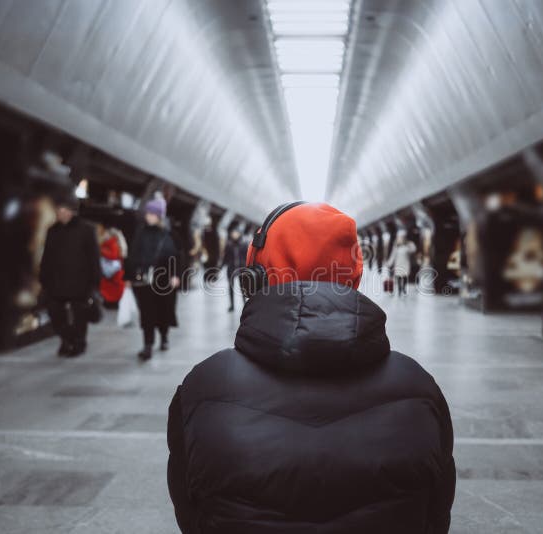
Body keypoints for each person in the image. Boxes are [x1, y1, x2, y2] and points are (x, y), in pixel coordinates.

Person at [167, 202, 455, 533]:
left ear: (256, 274)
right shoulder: (419, 390)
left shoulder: (202, 388)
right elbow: (434, 518)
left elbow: (192, 517)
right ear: (355, 272)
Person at [39, 192, 100, 357]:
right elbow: (47, 256)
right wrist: (43, 279)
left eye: (63, 209)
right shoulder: (53, 231)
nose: (60, 212)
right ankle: (67, 339)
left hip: (80, 283)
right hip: (56, 283)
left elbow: (94, 258)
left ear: (72, 211)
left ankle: (78, 343)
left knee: (80, 316)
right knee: (55, 314)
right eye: (58, 209)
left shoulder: (87, 230)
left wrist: (94, 284)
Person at [124, 198, 180, 361]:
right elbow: (132, 256)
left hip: (164, 280)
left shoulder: (169, 234)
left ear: (159, 216)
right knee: (146, 313)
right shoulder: (140, 233)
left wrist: (175, 275)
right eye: (148, 213)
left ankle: (164, 337)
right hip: (144, 281)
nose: (148, 216)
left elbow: (176, 256)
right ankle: (148, 345)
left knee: (163, 310)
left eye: (152, 214)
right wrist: (128, 276)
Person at [98, 225, 128, 308]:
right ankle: (110, 303)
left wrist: (101, 251)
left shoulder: (112, 243)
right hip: (113, 272)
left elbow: (113, 255)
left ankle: (111, 303)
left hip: (112, 271)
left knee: (111, 289)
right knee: (111, 288)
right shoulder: (116, 242)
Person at [221, 227, 248, 311]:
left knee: (242, 287)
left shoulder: (244, 244)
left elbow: (247, 256)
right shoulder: (228, 245)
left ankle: (244, 304)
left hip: (241, 268)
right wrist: (220, 267)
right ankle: (232, 305)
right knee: (230, 287)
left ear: (239, 234)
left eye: (236, 233)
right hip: (231, 268)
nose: (234, 235)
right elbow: (225, 258)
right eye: (233, 233)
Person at [387, 231, 417, 296]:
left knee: (405, 277)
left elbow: (413, 250)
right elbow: (393, 255)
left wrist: (409, 244)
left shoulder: (408, 245)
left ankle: (404, 288)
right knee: (399, 277)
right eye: (400, 237)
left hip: (406, 264)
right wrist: (389, 263)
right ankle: (400, 290)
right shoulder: (396, 246)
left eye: (402, 237)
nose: (401, 239)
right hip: (398, 264)